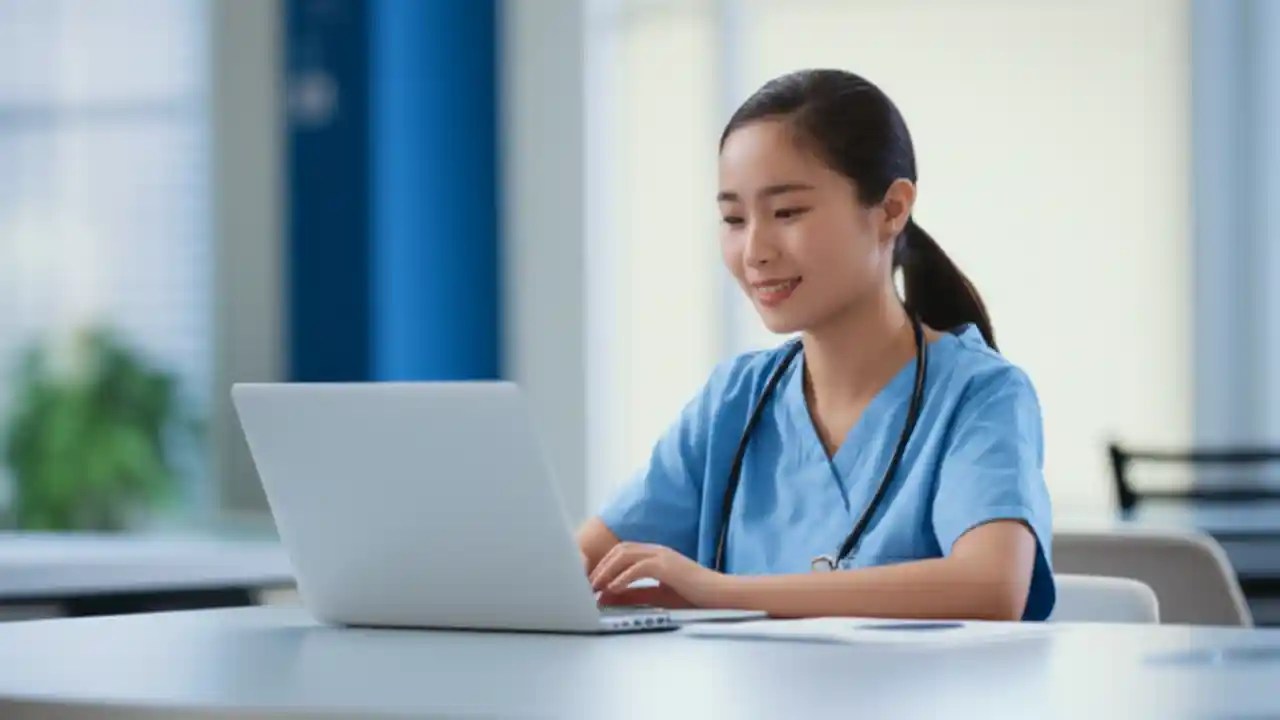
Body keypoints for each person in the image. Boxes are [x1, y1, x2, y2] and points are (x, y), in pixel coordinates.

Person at [577, 69, 1055, 621]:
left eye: (787, 213)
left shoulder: (980, 394)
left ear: (892, 210)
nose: (754, 249)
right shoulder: (735, 400)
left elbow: (989, 589)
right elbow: (574, 566)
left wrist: (717, 592)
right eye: (733, 218)